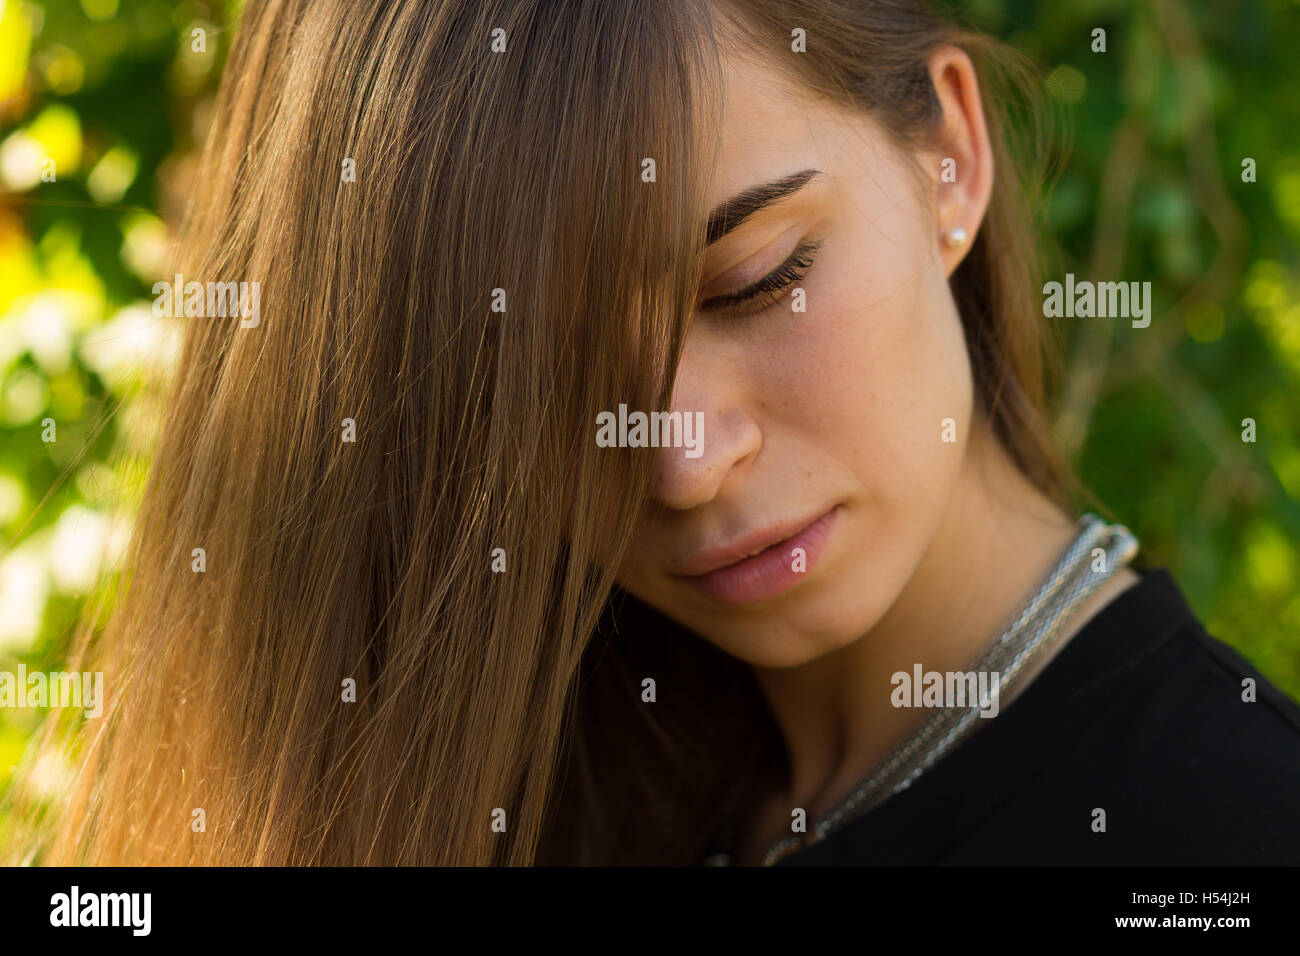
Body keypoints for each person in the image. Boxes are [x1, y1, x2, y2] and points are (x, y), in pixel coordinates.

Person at [20, 0, 1300, 867]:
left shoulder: (1232, 831)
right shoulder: (515, 775)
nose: (683, 461)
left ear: (948, 156)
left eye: (755, 279)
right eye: (533, 380)